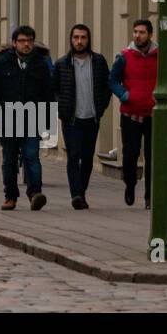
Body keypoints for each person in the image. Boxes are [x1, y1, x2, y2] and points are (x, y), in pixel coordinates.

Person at [0, 25, 55, 211]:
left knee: (32, 156)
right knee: (9, 159)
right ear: (14, 43)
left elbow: (48, 92)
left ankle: (35, 193)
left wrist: (47, 118)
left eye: (30, 40)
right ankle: (10, 196)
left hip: (33, 118)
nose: (26, 44)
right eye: (22, 41)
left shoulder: (40, 63)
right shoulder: (2, 61)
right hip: (8, 118)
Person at [53, 24, 112, 209]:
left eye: (83, 37)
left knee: (87, 158)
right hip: (71, 118)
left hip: (91, 117)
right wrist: (62, 108)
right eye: (76, 37)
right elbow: (54, 89)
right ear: (71, 39)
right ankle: (76, 195)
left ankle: (81, 192)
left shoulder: (99, 61)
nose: (79, 41)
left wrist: (101, 107)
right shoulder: (62, 64)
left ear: (88, 39)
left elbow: (106, 86)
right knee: (73, 155)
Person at [110, 18, 158, 209]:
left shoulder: (159, 55)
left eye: (142, 32)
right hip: (131, 113)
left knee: (151, 156)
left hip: (154, 114)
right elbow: (112, 80)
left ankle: (149, 196)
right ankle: (130, 185)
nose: (138, 36)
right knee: (130, 155)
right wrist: (124, 94)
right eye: (135, 32)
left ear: (150, 35)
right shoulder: (124, 56)